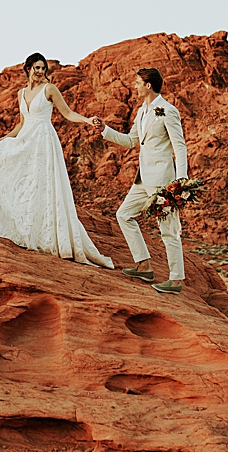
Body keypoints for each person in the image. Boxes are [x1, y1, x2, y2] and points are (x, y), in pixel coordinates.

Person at [0, 53, 112, 269]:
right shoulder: (21, 93)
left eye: (42, 68)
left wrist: (86, 120)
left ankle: (45, 234)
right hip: (25, 138)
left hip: (43, 140)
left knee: (41, 183)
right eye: (36, 67)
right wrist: (2, 139)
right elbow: (21, 124)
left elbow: (67, 113)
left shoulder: (50, 89)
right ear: (27, 69)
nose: (40, 71)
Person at [90, 67, 189, 295]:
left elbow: (179, 145)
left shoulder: (167, 110)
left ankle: (175, 280)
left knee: (169, 230)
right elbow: (130, 141)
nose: (134, 86)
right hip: (142, 179)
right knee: (123, 215)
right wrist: (105, 129)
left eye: (137, 82)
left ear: (148, 85)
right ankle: (144, 265)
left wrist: (181, 180)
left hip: (163, 181)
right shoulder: (141, 112)